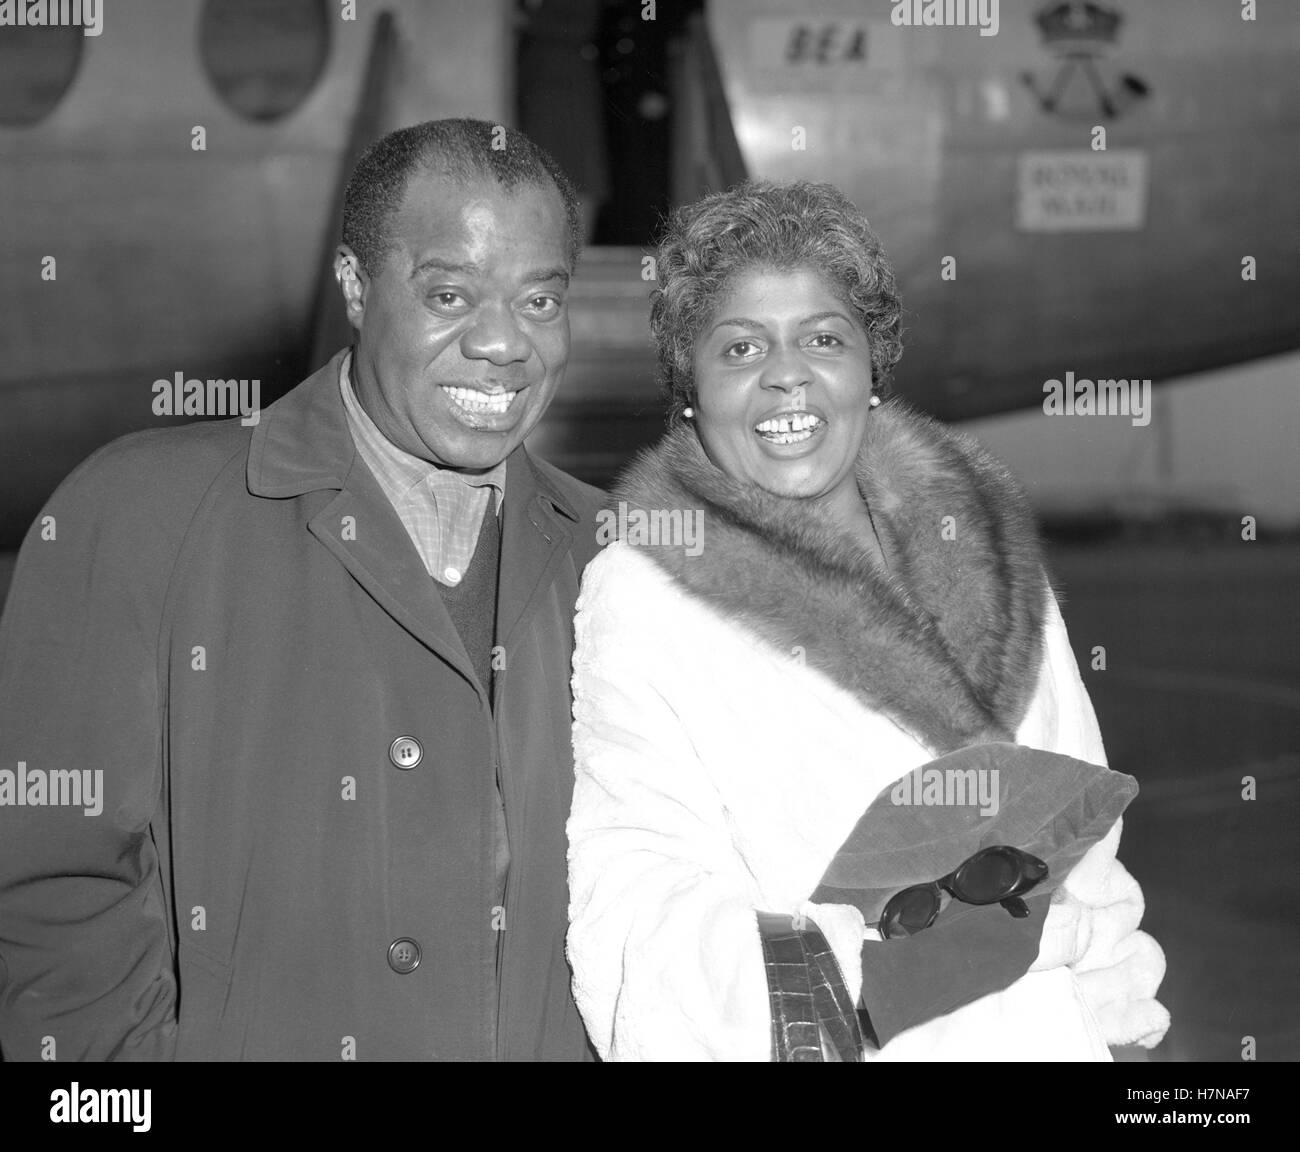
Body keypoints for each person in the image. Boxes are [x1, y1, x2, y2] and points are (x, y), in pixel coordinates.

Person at [0, 119, 605, 1061]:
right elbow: (56, 886)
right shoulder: (138, 514)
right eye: (449, 294)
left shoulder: (613, 557)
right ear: (356, 287)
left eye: (540, 300)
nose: (503, 342)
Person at [565, 180, 1170, 1061]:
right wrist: (884, 968)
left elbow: (1090, 844)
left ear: (871, 369)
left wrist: (1122, 1028)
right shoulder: (648, 588)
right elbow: (635, 894)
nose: (787, 373)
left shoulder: (988, 548)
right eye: (741, 347)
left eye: (823, 338)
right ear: (691, 387)